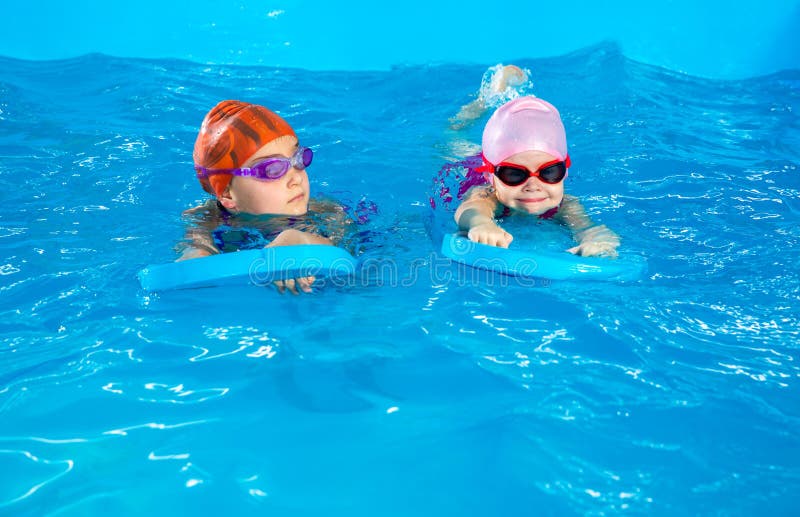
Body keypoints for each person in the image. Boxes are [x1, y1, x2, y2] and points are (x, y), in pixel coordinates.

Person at [179, 100, 351, 293]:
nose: (295, 177)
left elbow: (342, 249)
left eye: (298, 158)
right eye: (272, 169)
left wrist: (299, 240)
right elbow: (197, 245)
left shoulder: (327, 210)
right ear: (227, 194)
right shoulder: (208, 217)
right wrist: (198, 251)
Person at [452, 66, 620, 257]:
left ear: (564, 171)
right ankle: (486, 99)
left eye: (549, 172)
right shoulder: (486, 196)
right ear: (491, 176)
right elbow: (470, 211)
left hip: (498, 154)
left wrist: (596, 242)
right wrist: (481, 224)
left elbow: (588, 228)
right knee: (452, 133)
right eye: (514, 174)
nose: (533, 186)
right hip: (469, 165)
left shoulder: (566, 205)